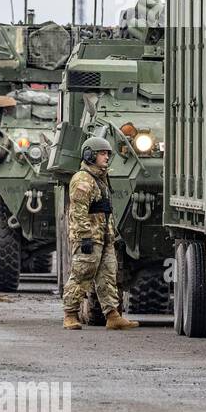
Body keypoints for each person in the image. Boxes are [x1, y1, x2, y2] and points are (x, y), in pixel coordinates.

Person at [62, 136, 139, 331]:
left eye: (107, 154)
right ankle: (70, 314)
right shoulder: (83, 180)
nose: (106, 158)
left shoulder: (101, 178)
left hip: (104, 237)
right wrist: (85, 237)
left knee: (108, 276)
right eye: (102, 154)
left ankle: (113, 315)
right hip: (90, 238)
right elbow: (78, 212)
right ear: (90, 156)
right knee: (82, 274)